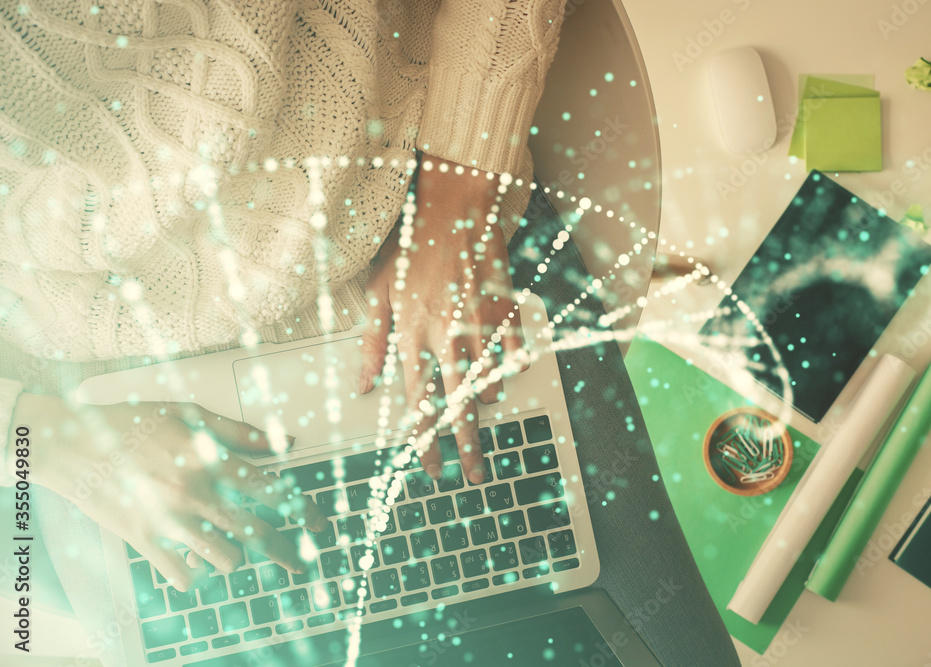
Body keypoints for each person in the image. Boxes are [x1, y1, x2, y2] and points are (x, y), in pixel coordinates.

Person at [0, 0, 566, 594]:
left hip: (422, 208)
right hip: (89, 404)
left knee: (598, 612)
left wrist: (458, 195)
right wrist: (41, 436)